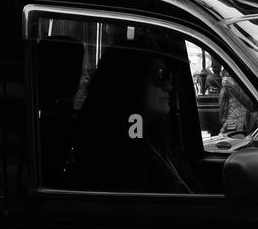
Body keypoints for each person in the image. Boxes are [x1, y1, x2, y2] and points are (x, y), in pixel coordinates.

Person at [66, 45, 200, 193]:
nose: (169, 86)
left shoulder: (149, 135)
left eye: (169, 77)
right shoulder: (113, 155)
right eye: (160, 76)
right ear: (131, 80)